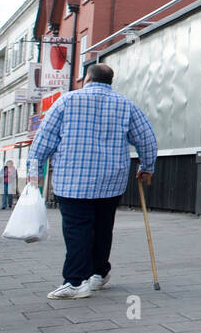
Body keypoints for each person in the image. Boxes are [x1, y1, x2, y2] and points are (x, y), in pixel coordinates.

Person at [26, 63, 157, 300]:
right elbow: (147, 139)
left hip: (73, 178)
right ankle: (99, 272)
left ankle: (75, 282)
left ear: (87, 79)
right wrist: (147, 168)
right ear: (110, 81)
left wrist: (33, 172)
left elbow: (44, 139)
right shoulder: (126, 104)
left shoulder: (67, 101)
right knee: (103, 227)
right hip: (111, 180)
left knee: (77, 229)